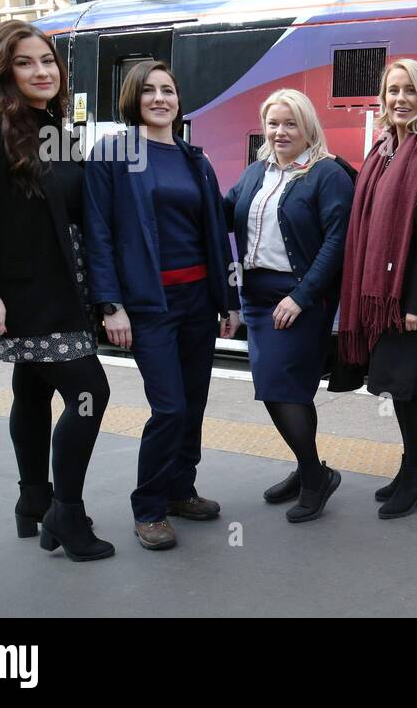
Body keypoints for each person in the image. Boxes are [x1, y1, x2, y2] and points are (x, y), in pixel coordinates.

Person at [0, 20, 113, 561]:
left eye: (47, 60)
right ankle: (67, 512)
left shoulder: (50, 127)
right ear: (2, 69)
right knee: (91, 394)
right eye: (25, 62)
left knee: (34, 391)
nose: (42, 71)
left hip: (62, 284)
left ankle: (33, 501)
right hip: (22, 294)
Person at [82, 61, 240, 550]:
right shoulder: (113, 154)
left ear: (178, 99)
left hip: (197, 299)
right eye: (149, 90)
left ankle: (179, 490)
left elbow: (215, 232)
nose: (159, 98)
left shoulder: (196, 159)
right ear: (134, 99)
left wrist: (226, 300)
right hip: (148, 304)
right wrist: (110, 305)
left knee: (193, 403)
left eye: (168, 90)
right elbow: (98, 233)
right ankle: (148, 507)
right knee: (168, 406)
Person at [328, 59, 417, 519]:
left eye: (409, 90)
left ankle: (416, 474)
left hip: (410, 295)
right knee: (395, 383)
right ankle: (413, 468)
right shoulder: (383, 152)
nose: (399, 99)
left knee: (412, 388)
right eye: (392, 91)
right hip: (382, 295)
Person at [224, 89, 354, 522]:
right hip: (257, 299)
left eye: (290, 124)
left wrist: (301, 296)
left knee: (277, 388)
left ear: (308, 127)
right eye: (273, 123)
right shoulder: (257, 172)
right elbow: (224, 212)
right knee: (290, 390)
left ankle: (317, 478)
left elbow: (337, 240)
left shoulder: (326, 174)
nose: (280, 132)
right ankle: (307, 469)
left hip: (298, 299)